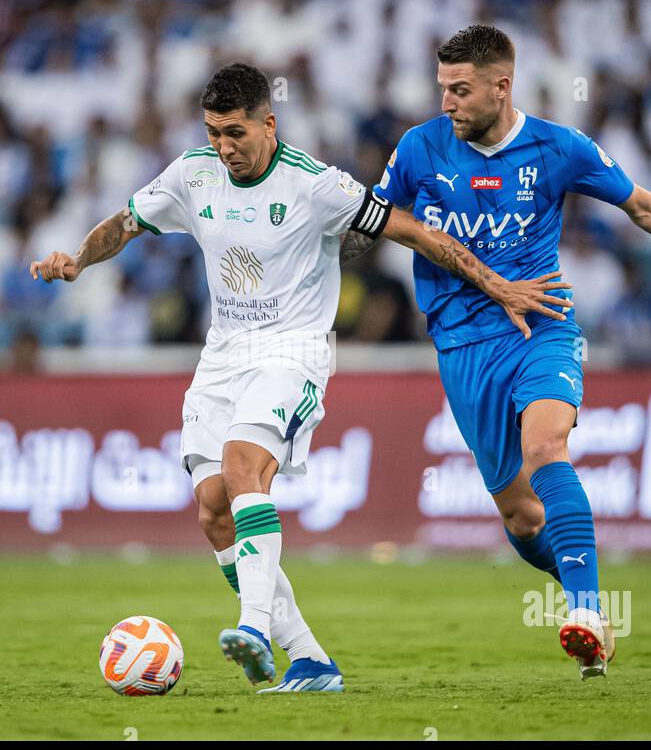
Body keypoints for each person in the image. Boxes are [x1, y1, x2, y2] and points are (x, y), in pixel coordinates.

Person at [32, 62, 569, 693]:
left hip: (293, 351)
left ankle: (254, 628)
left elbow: (415, 232)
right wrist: (78, 259)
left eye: (235, 132)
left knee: (241, 469)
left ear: (269, 122)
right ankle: (310, 660)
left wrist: (495, 282)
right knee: (213, 513)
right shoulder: (192, 174)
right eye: (213, 133)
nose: (224, 147)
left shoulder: (317, 186)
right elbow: (125, 224)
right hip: (221, 355)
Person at [353, 25, 651, 679]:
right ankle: (579, 586)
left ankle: (586, 610)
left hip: (540, 323)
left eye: (461, 90)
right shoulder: (418, 148)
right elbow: (378, 219)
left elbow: (644, 206)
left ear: (502, 85)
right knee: (522, 517)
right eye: (443, 88)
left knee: (547, 448)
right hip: (461, 342)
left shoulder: (557, 148)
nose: (447, 102)